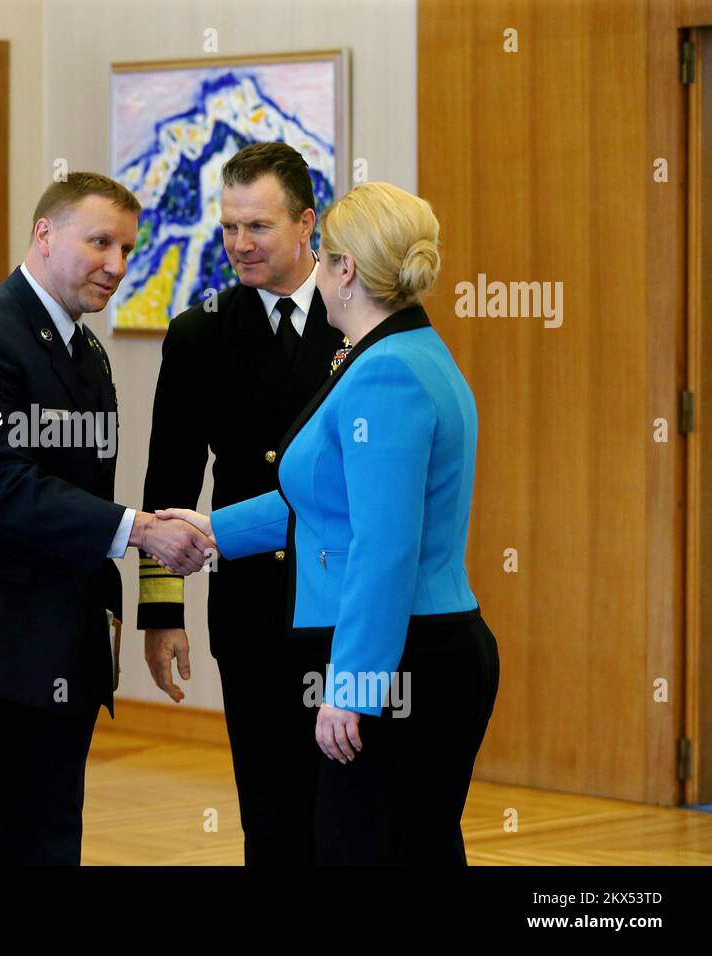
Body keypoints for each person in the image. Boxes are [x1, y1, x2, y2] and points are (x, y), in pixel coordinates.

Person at [0, 172, 213, 866]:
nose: (116, 265)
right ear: (45, 233)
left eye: (127, 247)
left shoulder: (85, 352)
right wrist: (140, 530)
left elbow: (77, 490)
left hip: (61, 648)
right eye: (99, 242)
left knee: (47, 843)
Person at [161, 182, 499, 865]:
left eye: (322, 256)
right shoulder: (401, 355)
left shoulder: (386, 375)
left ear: (345, 269)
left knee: (366, 851)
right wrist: (211, 528)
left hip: (407, 655)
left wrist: (353, 685)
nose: (314, 271)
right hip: (419, 648)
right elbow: (321, 498)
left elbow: (384, 547)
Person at [140, 141, 344, 865]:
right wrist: (162, 615)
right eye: (227, 227)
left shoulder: (356, 318)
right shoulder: (200, 332)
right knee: (271, 815)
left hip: (344, 605)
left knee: (351, 815)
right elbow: (167, 485)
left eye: (257, 226)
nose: (238, 244)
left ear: (306, 224)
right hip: (252, 610)